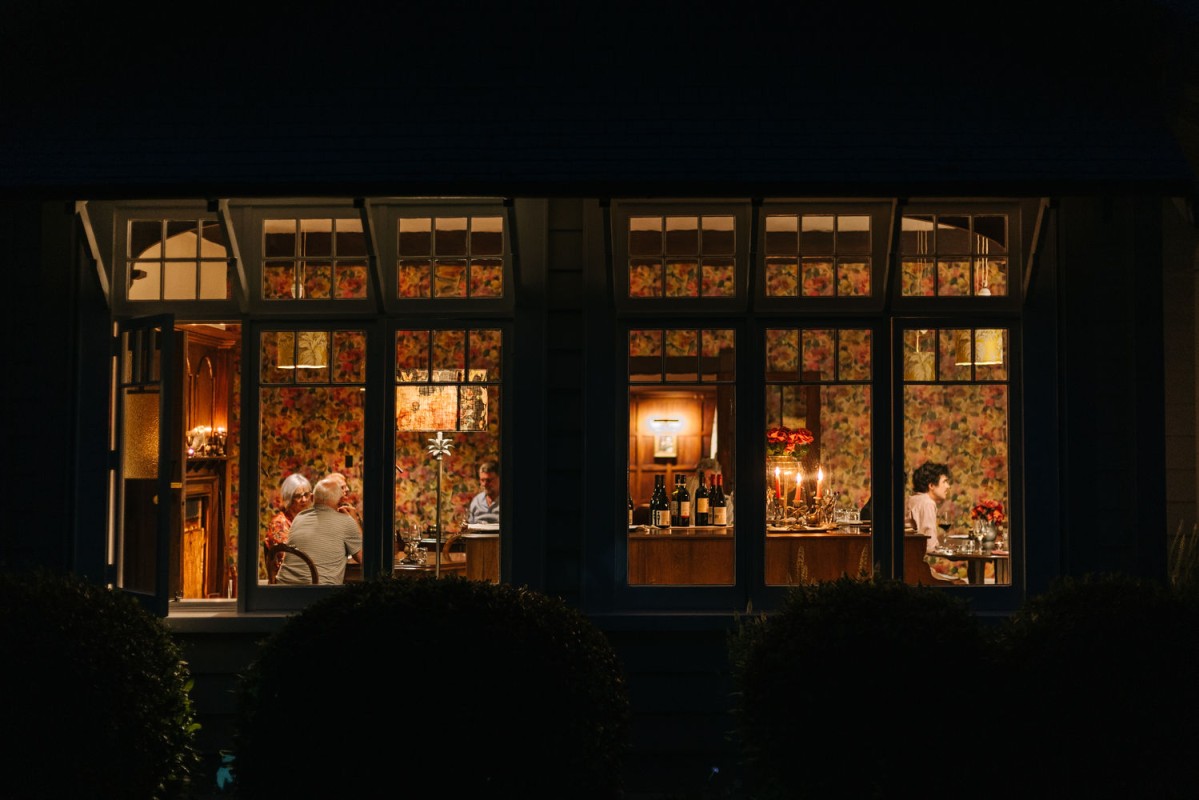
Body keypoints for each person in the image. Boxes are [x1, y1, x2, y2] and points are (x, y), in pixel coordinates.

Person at [276, 476, 363, 585]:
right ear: (341, 500)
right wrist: (354, 520)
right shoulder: (346, 521)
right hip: (318, 593)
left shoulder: (299, 518)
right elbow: (364, 558)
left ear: (312, 498)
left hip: (282, 588)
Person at [906, 461, 950, 553]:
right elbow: (930, 545)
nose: (948, 486)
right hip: (914, 563)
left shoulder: (911, 499)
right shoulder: (927, 503)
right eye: (944, 481)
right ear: (931, 485)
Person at [265, 473, 313, 551]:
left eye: (306, 495)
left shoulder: (307, 519)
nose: (304, 500)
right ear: (288, 498)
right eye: (298, 496)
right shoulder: (279, 523)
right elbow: (284, 556)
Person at [466, 459, 500, 526]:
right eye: (482, 480)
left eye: (489, 480)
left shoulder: (508, 501)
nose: (484, 484)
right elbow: (470, 525)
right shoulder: (476, 501)